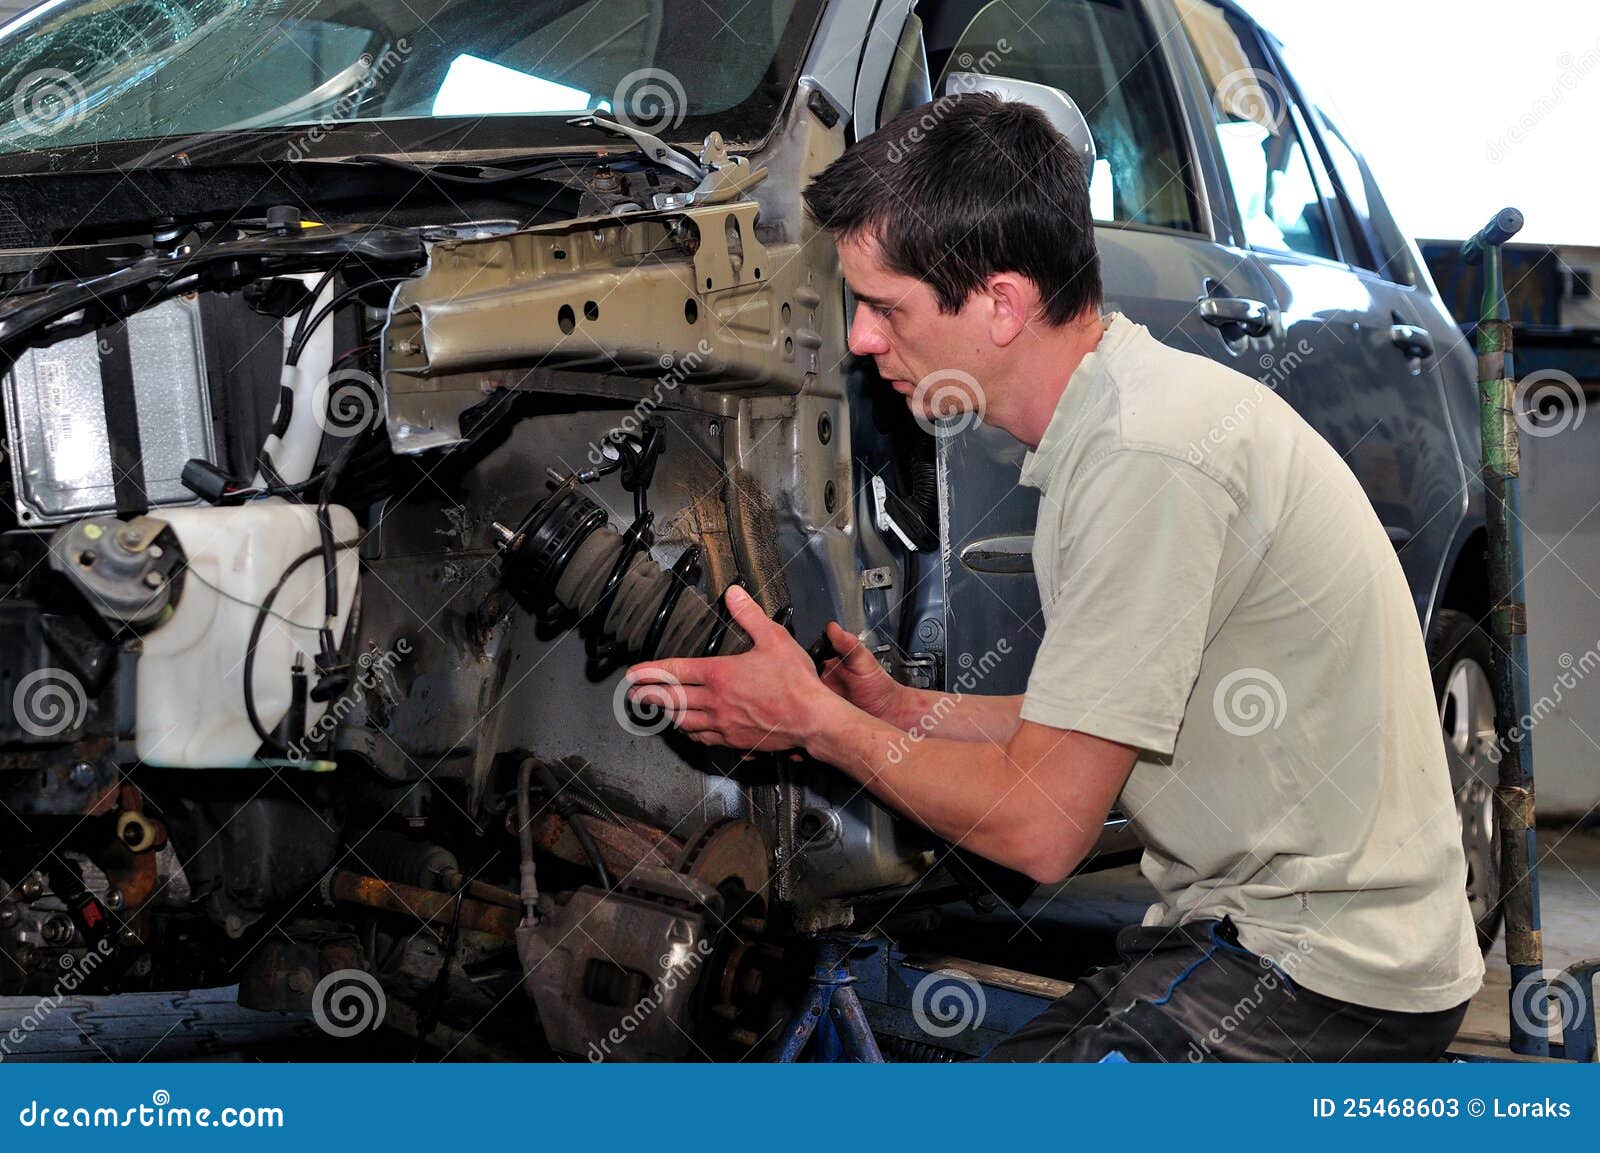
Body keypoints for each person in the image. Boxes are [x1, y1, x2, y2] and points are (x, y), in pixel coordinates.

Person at [625, 94, 1483, 1061]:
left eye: (885, 306)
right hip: (1249, 937)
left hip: (1329, 978)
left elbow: (1042, 828)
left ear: (1002, 302)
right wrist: (903, 708)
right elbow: (1091, 716)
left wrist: (819, 725)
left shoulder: (1146, 456)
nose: (862, 339)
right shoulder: (1115, 421)